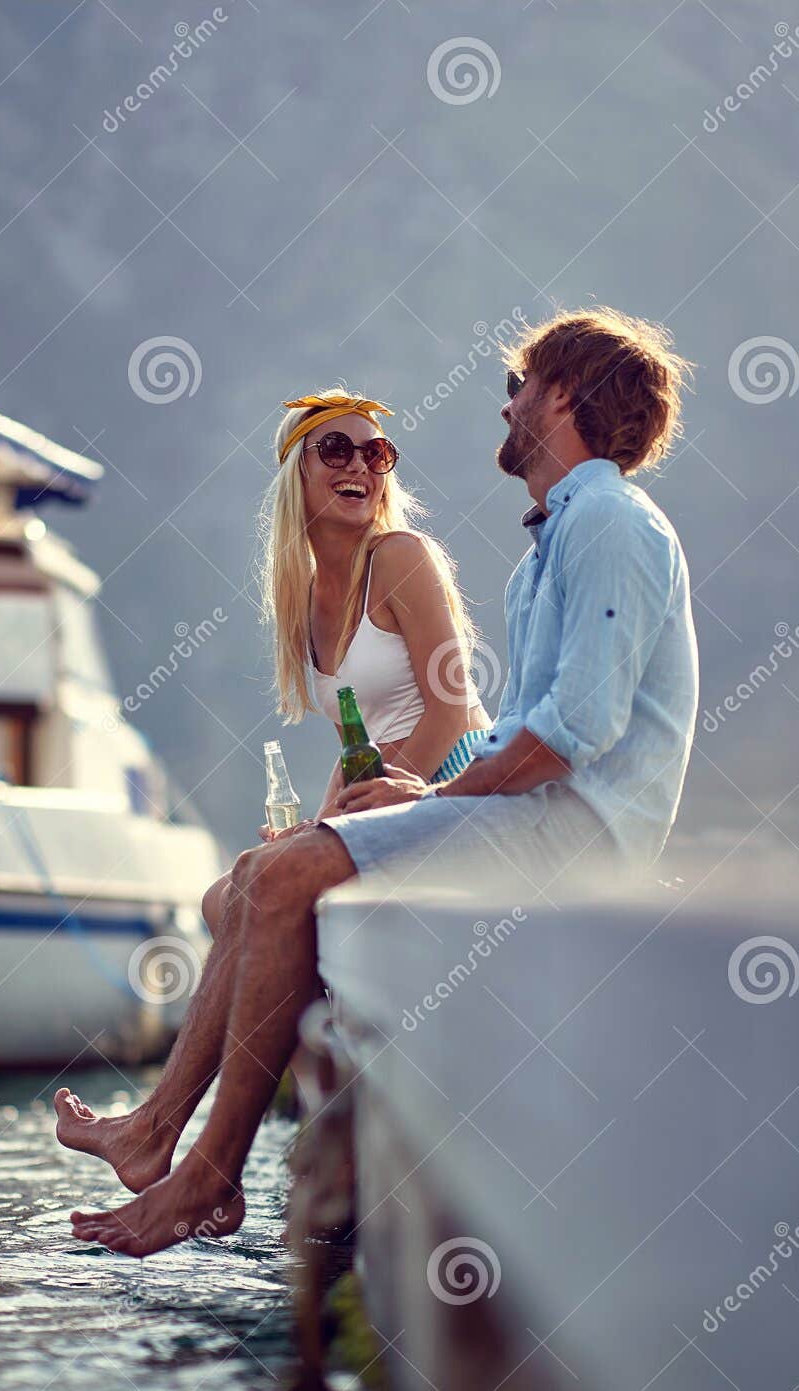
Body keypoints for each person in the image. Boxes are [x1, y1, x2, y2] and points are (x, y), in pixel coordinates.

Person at [55, 306, 700, 1258]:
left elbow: (575, 731)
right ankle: (170, 1147)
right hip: (527, 810)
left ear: (561, 395)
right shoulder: (552, 546)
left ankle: (201, 1174)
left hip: (574, 827)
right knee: (256, 881)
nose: (506, 403)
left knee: (270, 883)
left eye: (516, 385)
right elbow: (533, 730)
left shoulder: (603, 519)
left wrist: (432, 798)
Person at [199, 387, 492, 937]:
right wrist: (323, 820)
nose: (359, 463)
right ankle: (296, 1020)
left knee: (254, 894)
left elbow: (450, 711)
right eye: (337, 448)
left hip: (447, 783)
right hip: (378, 797)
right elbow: (356, 747)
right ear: (297, 471)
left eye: (376, 453)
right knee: (225, 898)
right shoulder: (303, 601)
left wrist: (368, 813)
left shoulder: (401, 556)